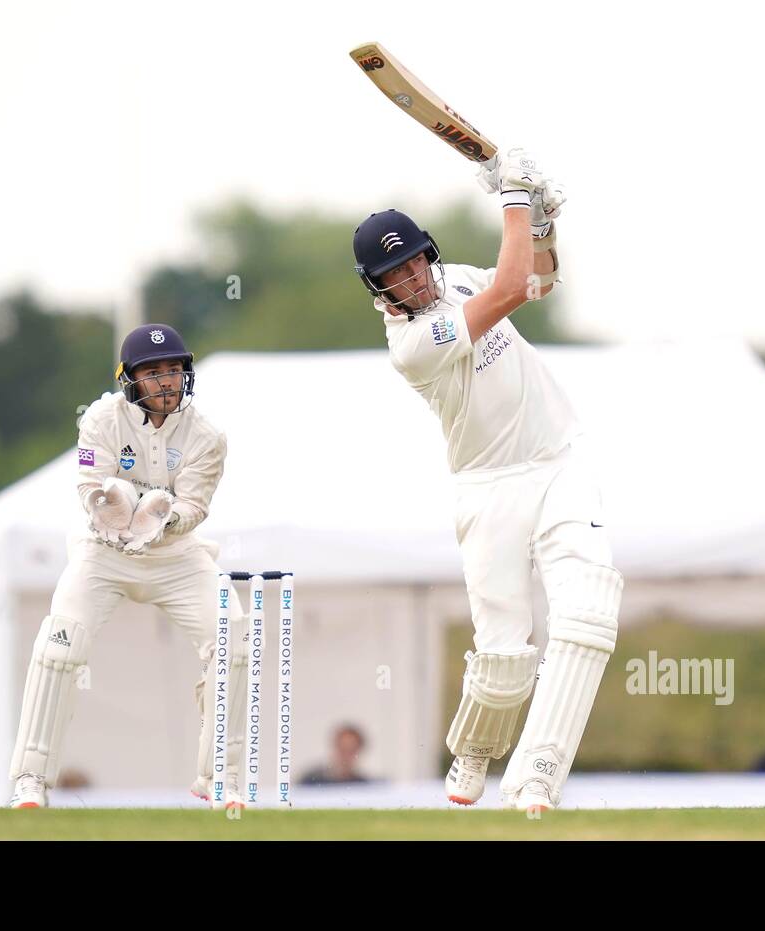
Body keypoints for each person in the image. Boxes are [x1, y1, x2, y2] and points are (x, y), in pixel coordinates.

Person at [351, 149, 623, 812]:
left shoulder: (459, 282)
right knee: (505, 663)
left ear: (428, 254)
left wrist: (541, 224)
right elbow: (507, 292)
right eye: (396, 273)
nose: (413, 278)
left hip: (558, 461)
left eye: (415, 260)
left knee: (588, 612)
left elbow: (534, 284)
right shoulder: (411, 344)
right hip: (489, 486)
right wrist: (513, 199)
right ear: (379, 287)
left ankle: (537, 776)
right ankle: (477, 742)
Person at [8, 324, 246, 809]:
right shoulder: (100, 419)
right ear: (129, 380)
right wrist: (117, 507)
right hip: (104, 553)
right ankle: (30, 781)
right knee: (61, 644)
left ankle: (223, 778)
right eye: (153, 372)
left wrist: (163, 518)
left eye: (174, 370)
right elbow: (89, 486)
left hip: (176, 557)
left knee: (234, 637)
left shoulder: (207, 437)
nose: (166, 381)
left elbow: (194, 507)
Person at [299, 724, 373, 786]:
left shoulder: (364, 786)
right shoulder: (311, 781)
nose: (345, 756)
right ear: (334, 748)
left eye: (351, 751)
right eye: (342, 750)